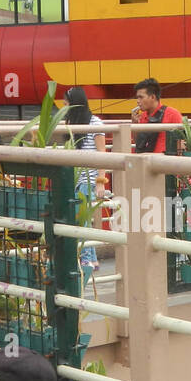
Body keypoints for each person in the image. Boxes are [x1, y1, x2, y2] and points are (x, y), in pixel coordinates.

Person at [65, 86, 108, 278]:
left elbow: (102, 154)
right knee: (79, 221)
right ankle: (88, 259)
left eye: (67, 102)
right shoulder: (73, 122)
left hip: (88, 181)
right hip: (76, 179)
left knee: (82, 222)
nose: (64, 105)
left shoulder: (95, 122)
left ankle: (88, 260)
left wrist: (100, 182)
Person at [131, 77, 183, 154]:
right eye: (137, 97)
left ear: (152, 97)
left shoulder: (173, 114)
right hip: (145, 160)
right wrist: (135, 124)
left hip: (165, 161)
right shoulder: (141, 116)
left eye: (141, 97)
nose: (138, 101)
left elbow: (181, 143)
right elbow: (138, 142)